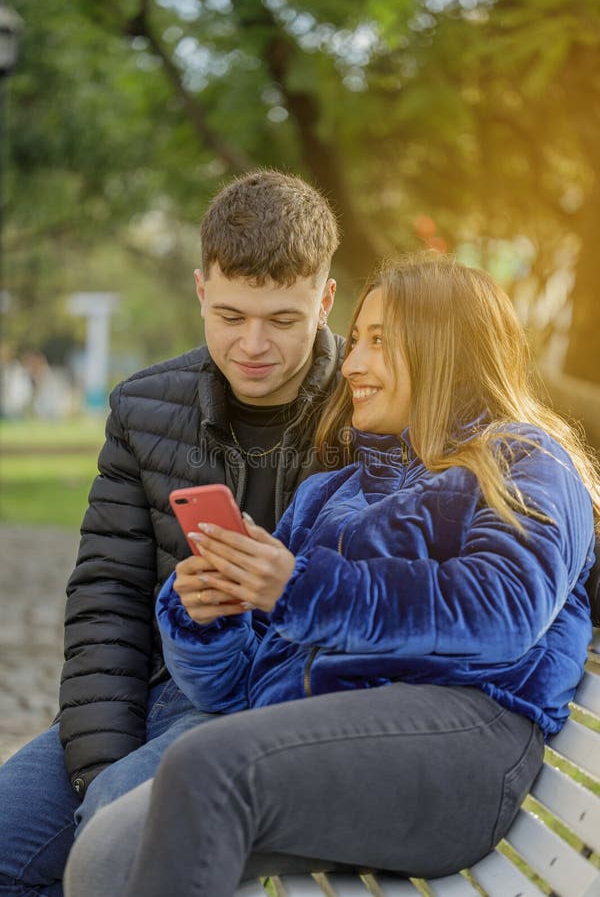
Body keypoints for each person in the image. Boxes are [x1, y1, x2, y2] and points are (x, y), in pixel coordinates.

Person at [64, 253, 599, 897]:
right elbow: (238, 690)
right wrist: (210, 617)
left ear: (444, 348)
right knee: (111, 849)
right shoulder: (329, 494)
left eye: (379, 342)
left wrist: (297, 587)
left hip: (461, 740)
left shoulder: (522, 459)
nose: (350, 364)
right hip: (322, 743)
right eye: (357, 340)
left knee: (208, 766)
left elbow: (504, 611)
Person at [0, 169, 343, 897]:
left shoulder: (368, 410)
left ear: (326, 298)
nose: (253, 344)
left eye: (283, 320)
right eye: (229, 315)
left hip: (282, 708)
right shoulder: (143, 406)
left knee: (115, 844)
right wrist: (98, 768)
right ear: (199, 290)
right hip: (162, 688)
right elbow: (108, 596)